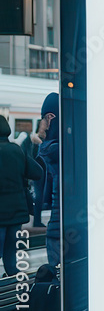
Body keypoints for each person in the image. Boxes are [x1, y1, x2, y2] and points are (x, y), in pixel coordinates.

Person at [0, 118, 45, 277]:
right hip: (16, 214)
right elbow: (37, 173)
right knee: (10, 259)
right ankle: (14, 290)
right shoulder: (16, 150)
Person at [38, 93, 61, 267]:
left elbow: (42, 152)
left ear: (50, 117)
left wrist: (41, 134)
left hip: (58, 218)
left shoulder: (50, 149)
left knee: (55, 269)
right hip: (76, 215)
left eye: (43, 118)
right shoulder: (69, 143)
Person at [22, 121, 46, 227]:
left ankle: (37, 220)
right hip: (37, 174)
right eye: (43, 125)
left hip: (45, 172)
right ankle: (36, 221)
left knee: (40, 196)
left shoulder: (44, 140)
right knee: (38, 196)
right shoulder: (33, 140)